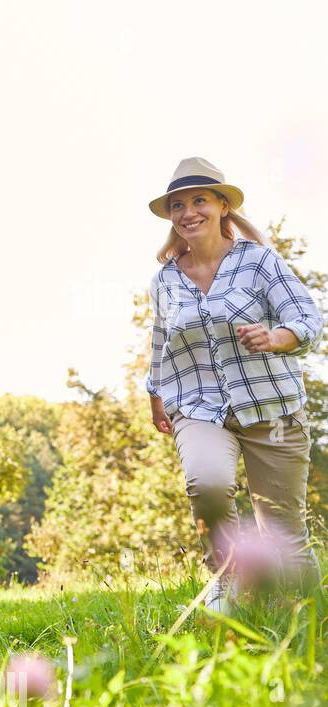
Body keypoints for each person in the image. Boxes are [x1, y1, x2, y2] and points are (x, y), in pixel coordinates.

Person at [145, 157, 323, 611]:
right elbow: (161, 339)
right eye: (178, 205)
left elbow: (306, 318)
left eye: (199, 200)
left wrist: (275, 337)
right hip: (198, 406)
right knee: (206, 483)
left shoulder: (259, 261)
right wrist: (155, 394)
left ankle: (306, 624)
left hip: (273, 407)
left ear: (223, 205)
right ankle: (225, 579)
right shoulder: (165, 279)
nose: (188, 212)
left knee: (283, 531)